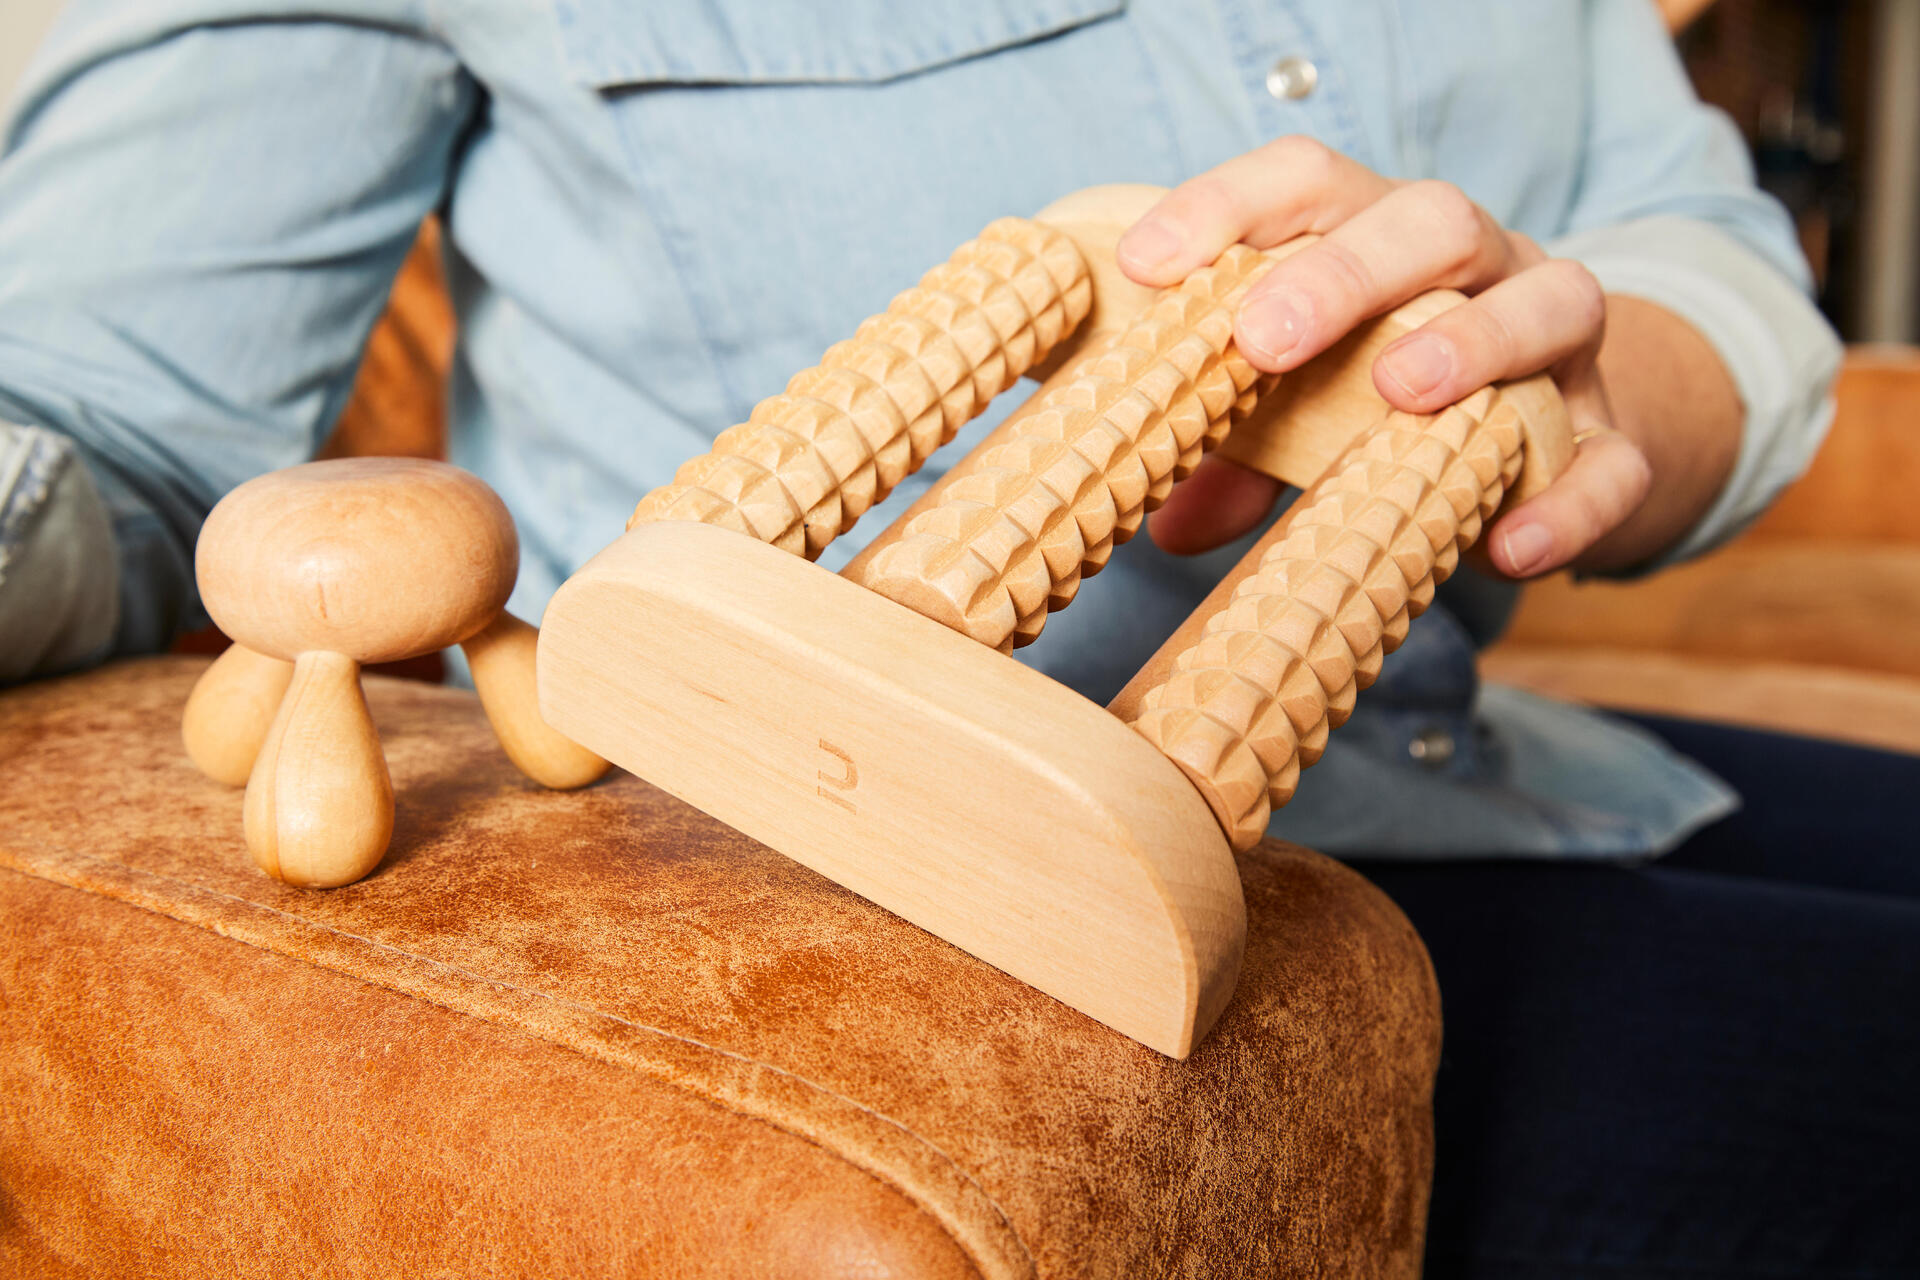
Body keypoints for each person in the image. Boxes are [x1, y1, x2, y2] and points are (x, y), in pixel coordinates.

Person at [1, 1, 1911, 1274]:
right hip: (859, 912)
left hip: (1441, 761)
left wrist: (1582, 392)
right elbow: (93, 410)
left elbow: (1693, 239)